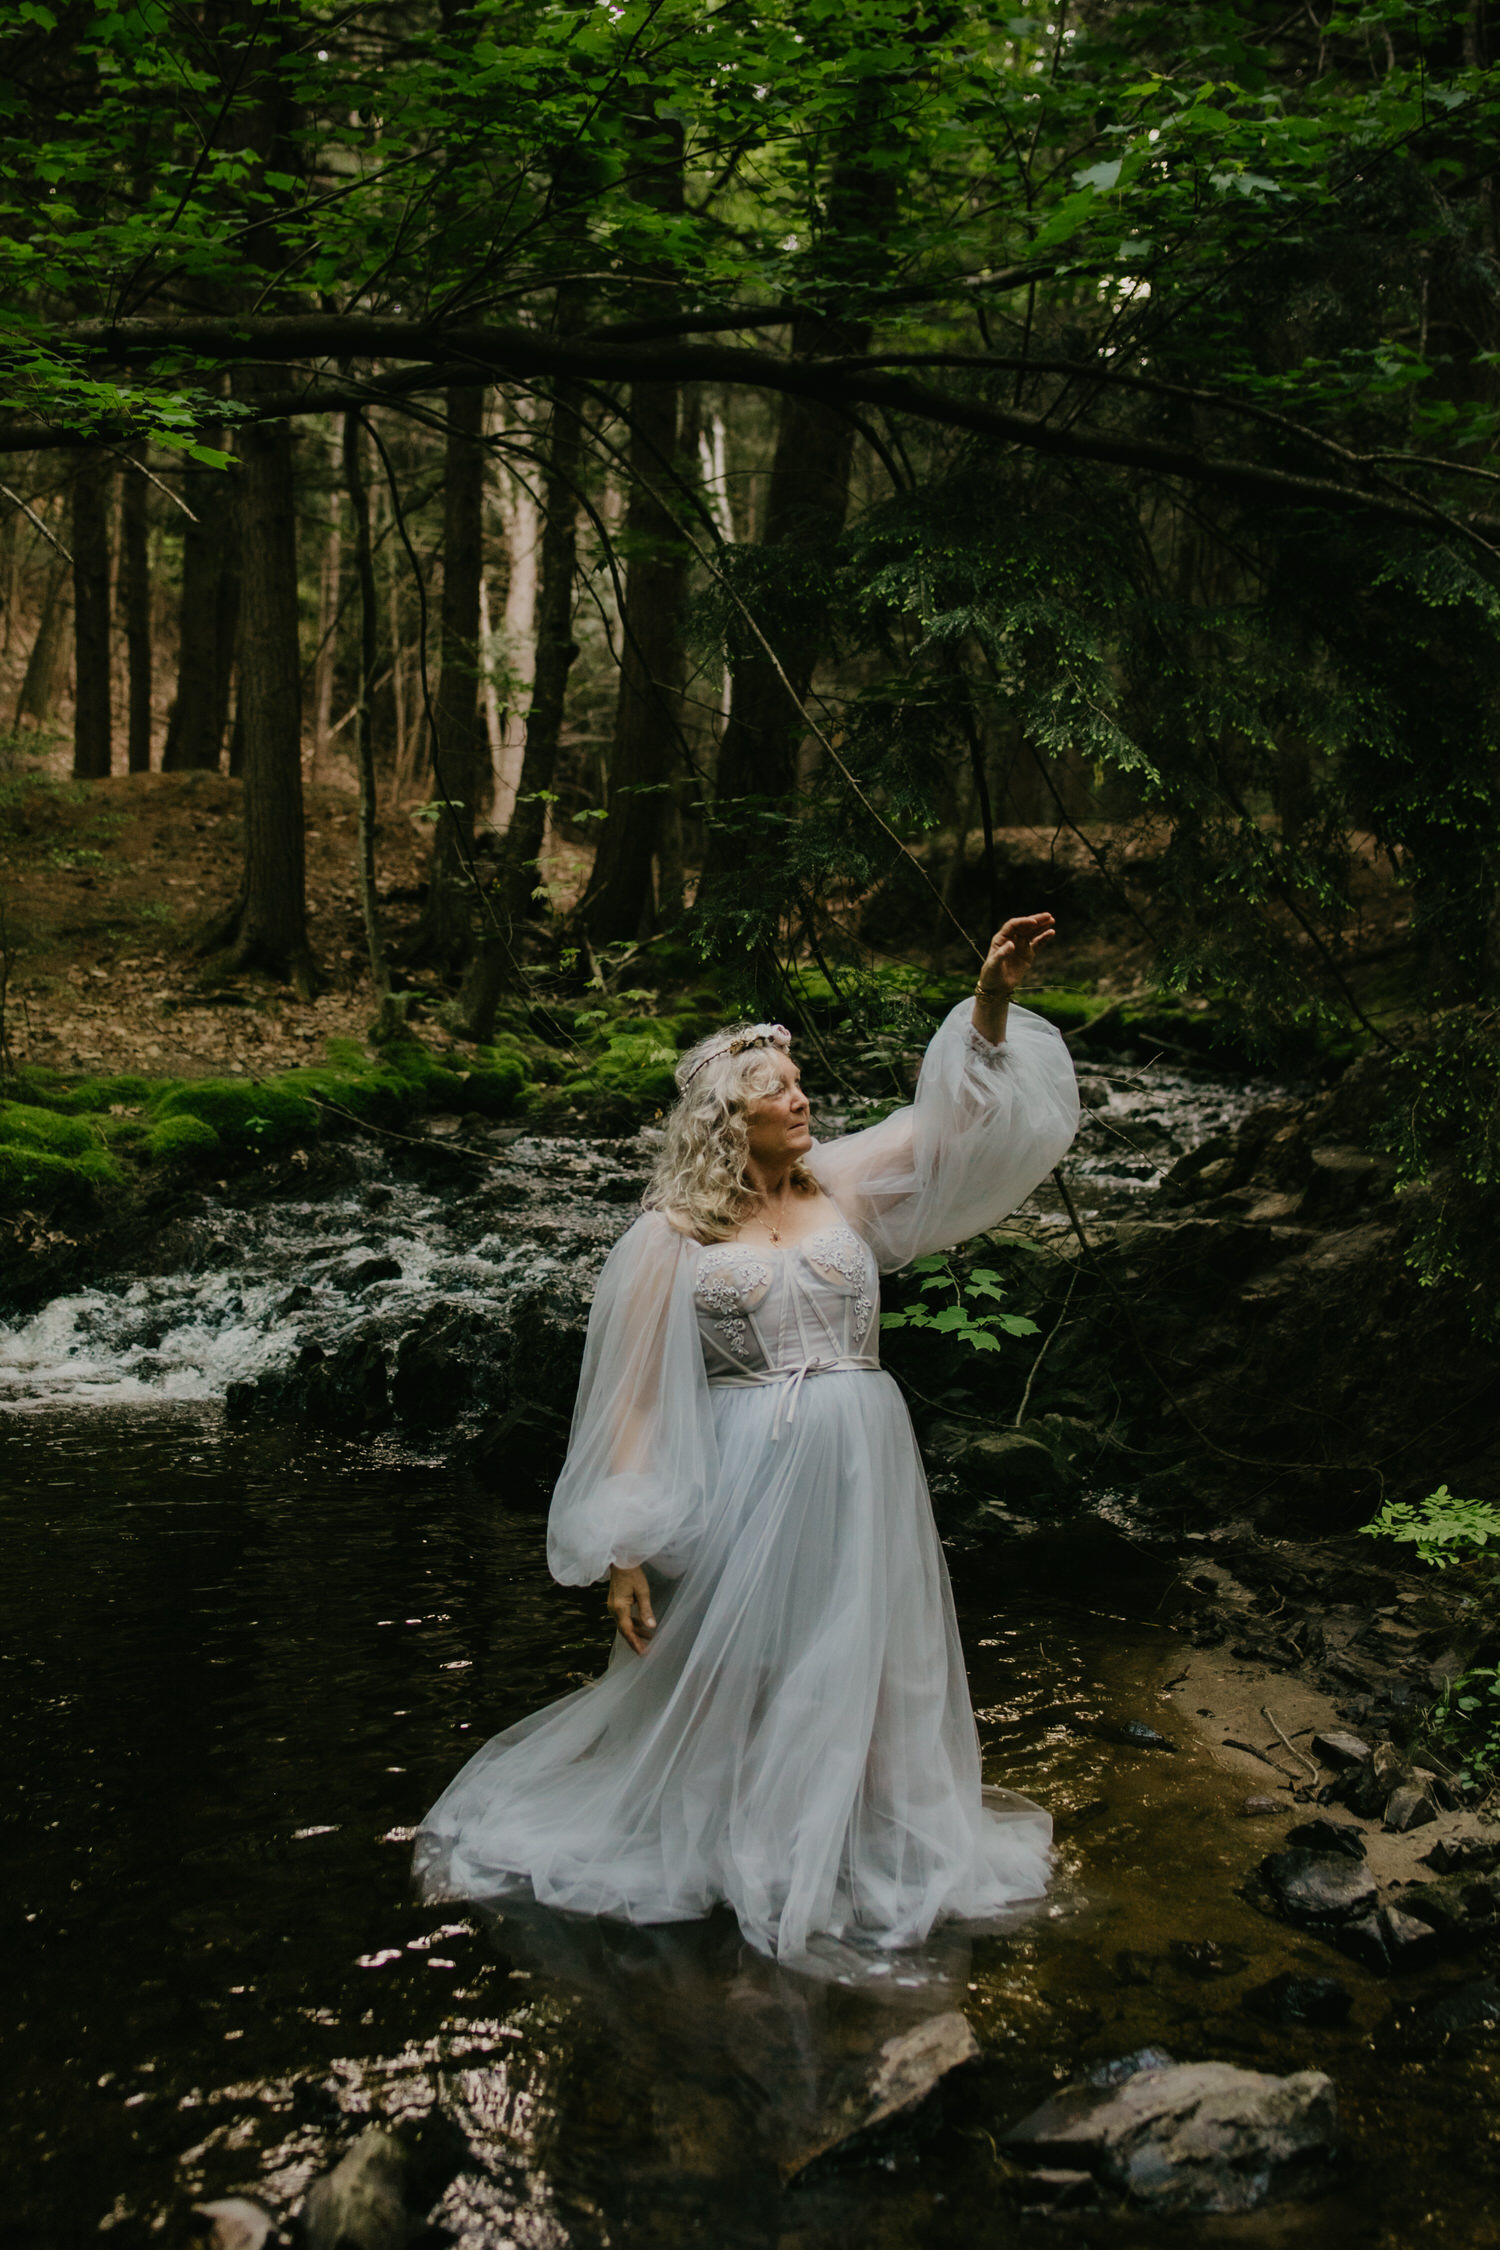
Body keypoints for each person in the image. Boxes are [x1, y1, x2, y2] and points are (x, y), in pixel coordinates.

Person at [416, 915, 1079, 1968]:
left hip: (862, 1462)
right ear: (731, 1118)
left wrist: (990, 1002)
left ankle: (850, 1843)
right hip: (737, 1474)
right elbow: (631, 1404)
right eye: (779, 1088)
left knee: (858, 1656)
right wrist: (623, 1552)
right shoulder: (668, 1240)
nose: (802, 1097)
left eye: (798, 1080)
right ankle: (741, 1844)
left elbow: (960, 1124)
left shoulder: (847, 1185)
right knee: (743, 1666)